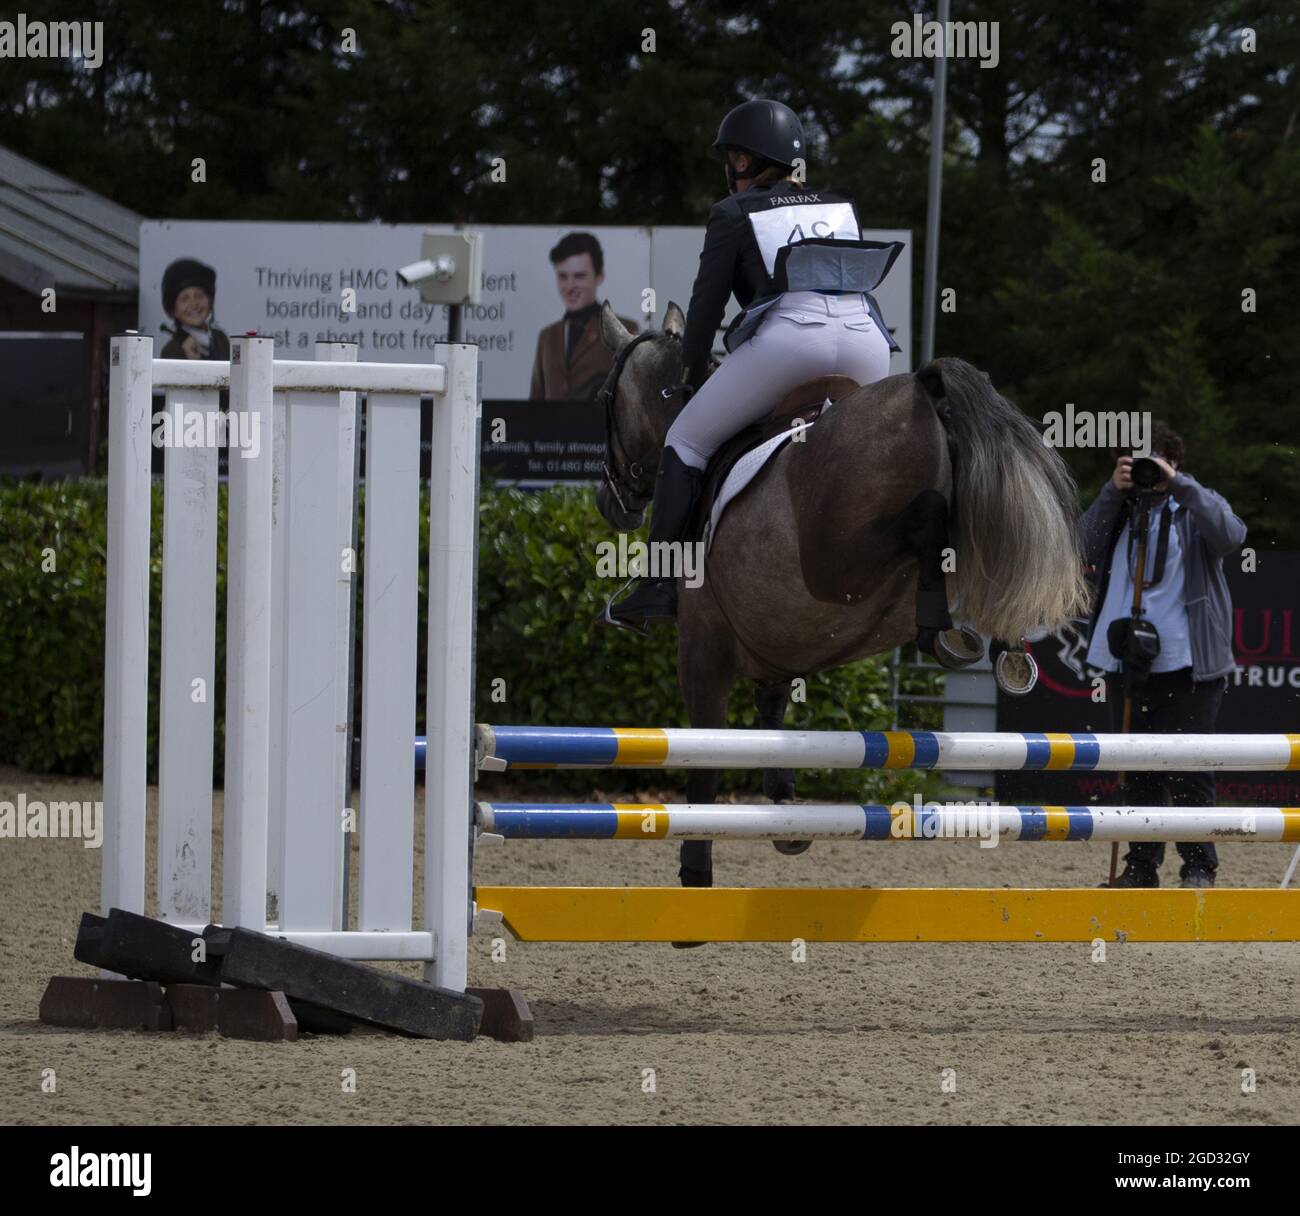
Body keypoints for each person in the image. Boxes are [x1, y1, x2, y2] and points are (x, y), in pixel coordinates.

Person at [606, 98, 899, 628]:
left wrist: (691, 375)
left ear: (743, 162)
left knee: (687, 441)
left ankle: (658, 587)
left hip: (793, 340)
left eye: (732, 159)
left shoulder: (732, 214)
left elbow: (705, 311)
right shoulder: (839, 206)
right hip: (868, 342)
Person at [1079, 421, 1247, 888]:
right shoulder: (1121, 509)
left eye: (1157, 462)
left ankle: (1198, 866)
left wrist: (1179, 484)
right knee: (1136, 770)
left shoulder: (1195, 505)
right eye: (1140, 463)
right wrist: (1113, 492)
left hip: (1189, 661)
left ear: (1174, 463)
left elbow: (1231, 535)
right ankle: (1140, 867)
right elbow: (1079, 547)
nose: (1149, 473)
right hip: (1126, 658)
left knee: (1191, 769)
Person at [530, 232, 638, 400]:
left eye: (579, 276)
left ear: (599, 276)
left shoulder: (625, 330)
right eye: (562, 276)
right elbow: (535, 401)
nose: (570, 286)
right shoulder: (547, 336)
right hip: (550, 426)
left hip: (598, 425)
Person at [159, 258, 230, 360]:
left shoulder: (220, 338)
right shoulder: (171, 351)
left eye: (199, 296)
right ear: (172, 308)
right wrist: (193, 363)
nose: (193, 304)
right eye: (184, 299)